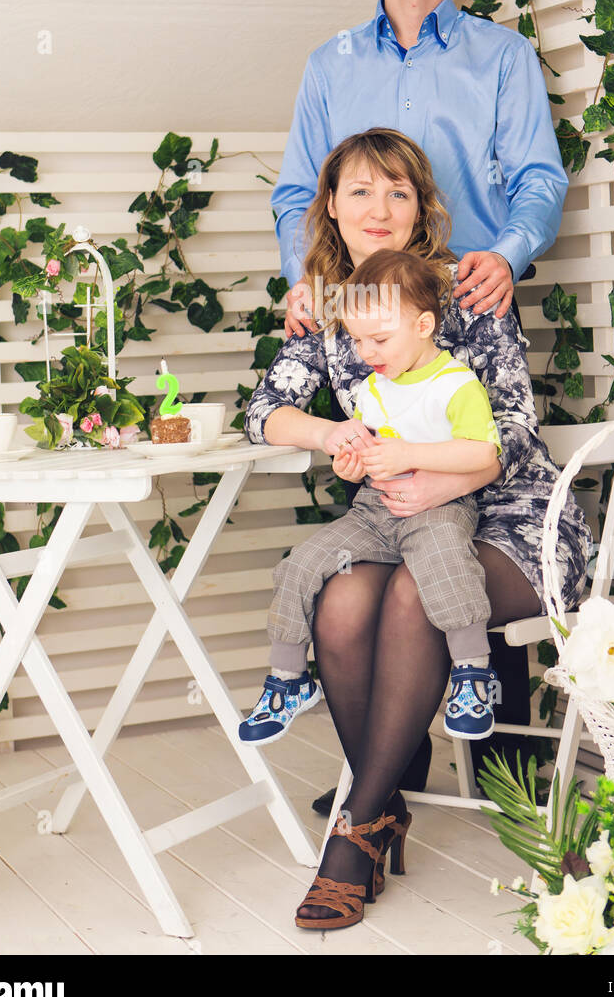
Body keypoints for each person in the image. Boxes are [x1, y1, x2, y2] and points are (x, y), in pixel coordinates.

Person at [243, 129, 592, 929]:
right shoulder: (327, 312)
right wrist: (332, 436)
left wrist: (443, 473)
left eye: (399, 192)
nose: (380, 208)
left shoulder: (465, 294)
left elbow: (505, 435)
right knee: (337, 600)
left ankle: (357, 828)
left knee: (406, 599)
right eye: (360, 191)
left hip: (510, 513)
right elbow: (268, 413)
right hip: (403, 514)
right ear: (327, 204)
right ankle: (384, 794)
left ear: (421, 208)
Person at [271, 0, 570, 342]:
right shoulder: (328, 65)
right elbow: (297, 194)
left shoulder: (505, 57)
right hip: (355, 304)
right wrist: (306, 280)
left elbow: (539, 180)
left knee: (483, 420)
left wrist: (506, 256)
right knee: (354, 421)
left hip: (472, 297)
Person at [238, 249, 504, 749]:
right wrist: (351, 461)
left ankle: (472, 674)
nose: (366, 353)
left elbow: (481, 452)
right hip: (375, 513)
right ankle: (289, 679)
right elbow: (367, 449)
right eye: (358, 341)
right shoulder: (375, 389)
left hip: (436, 507)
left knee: (446, 563)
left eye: (379, 339)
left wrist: (407, 453)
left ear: (424, 324)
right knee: (300, 565)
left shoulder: (455, 384)